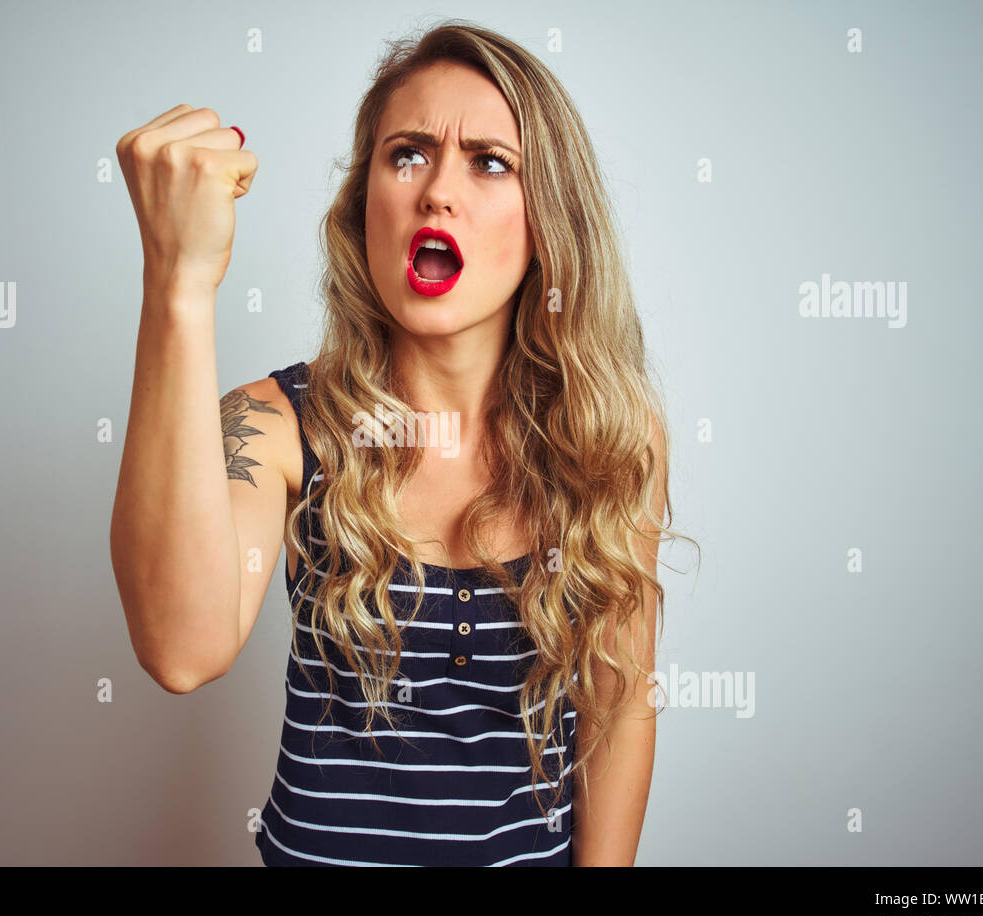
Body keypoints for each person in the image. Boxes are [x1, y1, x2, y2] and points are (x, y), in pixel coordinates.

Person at [109, 19, 697, 866]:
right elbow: (180, 649)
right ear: (364, 205)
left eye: (490, 161)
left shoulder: (612, 437)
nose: (437, 192)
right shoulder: (280, 426)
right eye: (408, 154)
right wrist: (178, 282)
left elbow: (620, 702)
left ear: (548, 222)